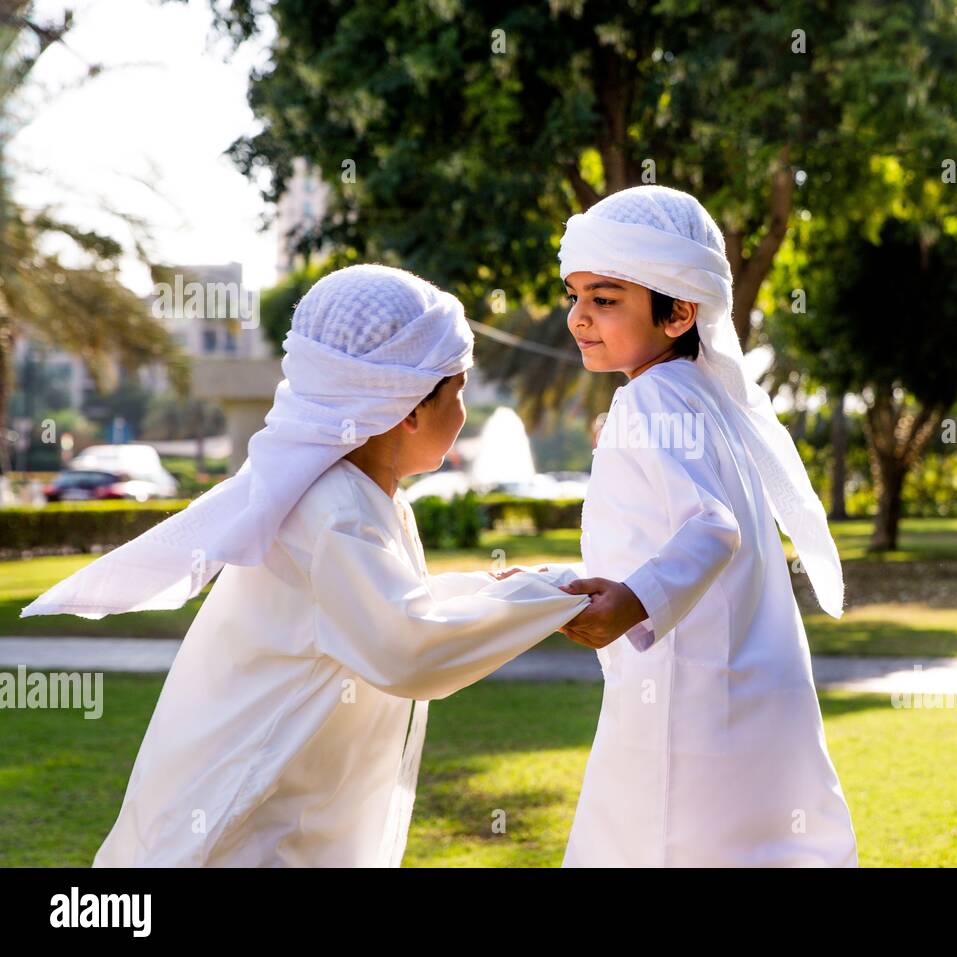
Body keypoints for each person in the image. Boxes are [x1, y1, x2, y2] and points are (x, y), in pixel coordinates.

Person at [22, 264, 590, 866]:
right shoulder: (337, 510)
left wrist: (512, 587)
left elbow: (389, 605)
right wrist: (554, 599)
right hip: (256, 824)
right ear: (407, 408)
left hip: (287, 811)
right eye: (458, 393)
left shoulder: (355, 496)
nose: (465, 414)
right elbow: (409, 648)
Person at [554, 185, 859, 867]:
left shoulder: (653, 396)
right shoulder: (702, 395)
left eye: (605, 299)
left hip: (682, 696)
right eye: (574, 295)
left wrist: (631, 603)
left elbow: (711, 528)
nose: (579, 317)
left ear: (678, 312)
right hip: (725, 692)